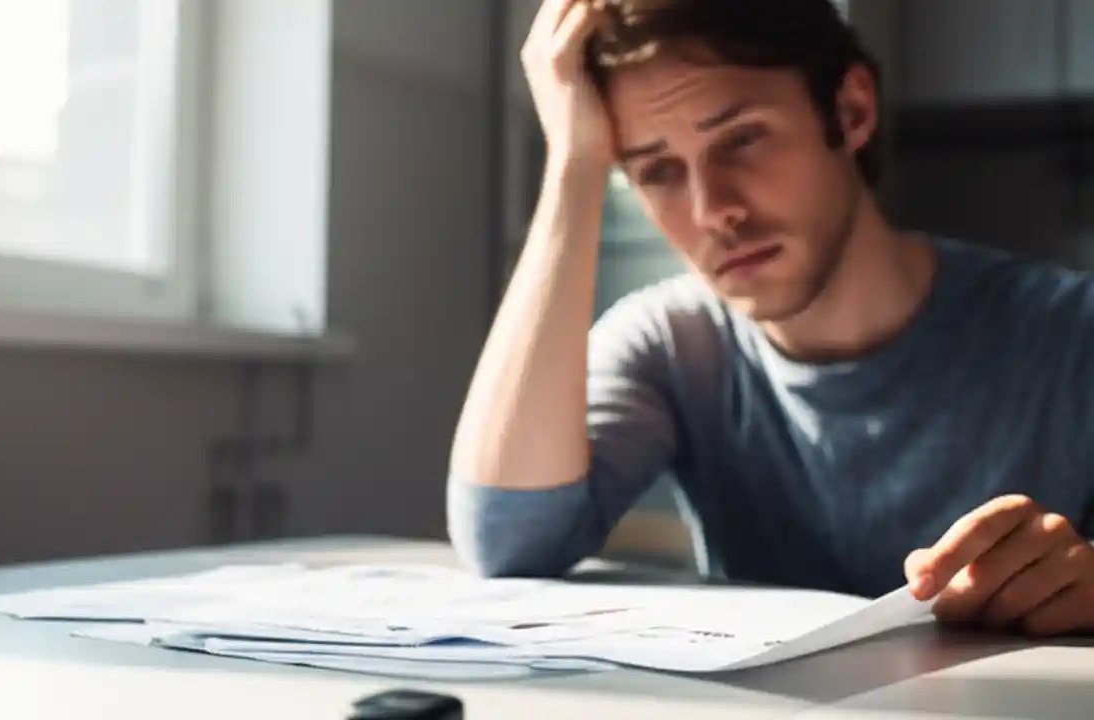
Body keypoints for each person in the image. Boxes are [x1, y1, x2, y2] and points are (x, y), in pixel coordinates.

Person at [447, 0, 1094, 636]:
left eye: (742, 139)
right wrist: (573, 164)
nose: (711, 210)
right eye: (658, 171)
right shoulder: (672, 345)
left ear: (851, 110)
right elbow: (508, 542)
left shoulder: (1071, 333)